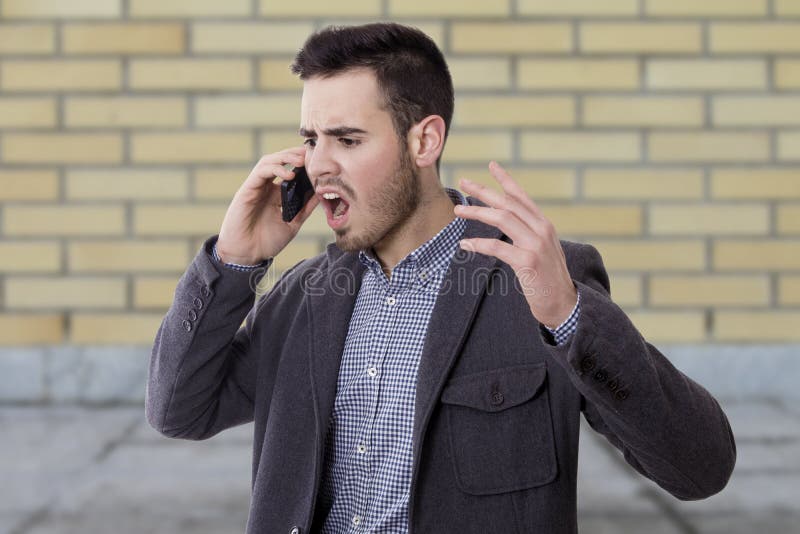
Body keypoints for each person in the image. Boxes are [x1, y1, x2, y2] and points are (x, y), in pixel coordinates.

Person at [146, 22, 736, 534]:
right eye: (310, 139)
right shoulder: (304, 294)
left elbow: (700, 468)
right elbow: (178, 410)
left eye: (347, 139)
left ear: (424, 141)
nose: (318, 163)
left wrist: (568, 316)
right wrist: (234, 261)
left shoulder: (537, 280)